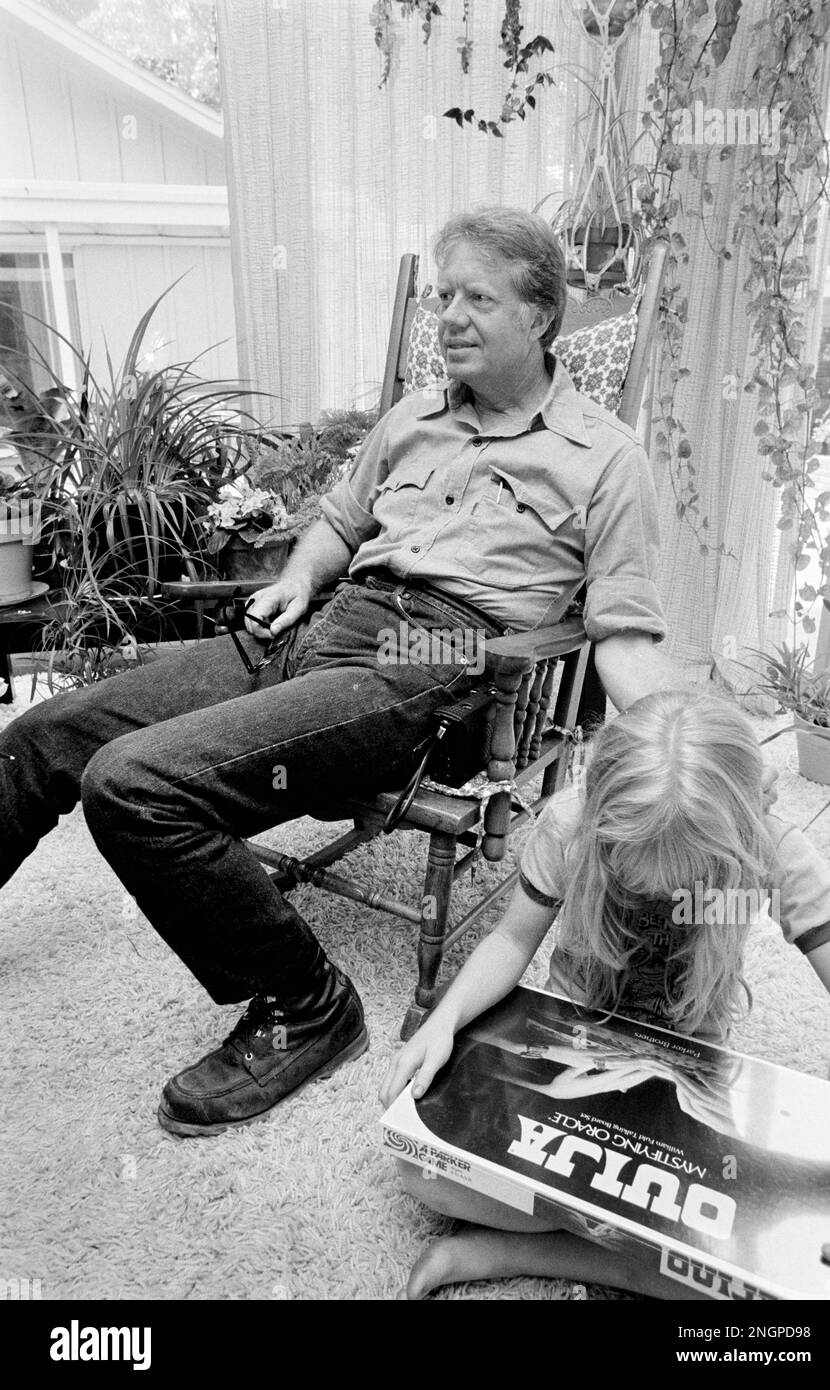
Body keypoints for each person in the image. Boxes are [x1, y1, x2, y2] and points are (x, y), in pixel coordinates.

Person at [0, 206, 674, 1138]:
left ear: (541, 317)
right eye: (443, 296)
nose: (448, 317)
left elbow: (624, 635)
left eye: (477, 297)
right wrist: (297, 575)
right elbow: (342, 519)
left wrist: (681, 754)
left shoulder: (607, 458)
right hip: (324, 620)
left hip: (443, 650)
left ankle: (308, 1005)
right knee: (45, 735)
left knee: (137, 784)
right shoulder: (412, 418)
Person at [380, 689, 830, 1299]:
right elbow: (509, 942)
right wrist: (442, 1020)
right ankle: (635, 1251)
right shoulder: (570, 824)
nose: (658, 896)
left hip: (687, 1082)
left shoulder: (772, 847)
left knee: (784, 1273)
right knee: (425, 1172)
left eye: (689, 876)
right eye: (631, 866)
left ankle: (524, 1248)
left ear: (739, 835)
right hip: (572, 1054)